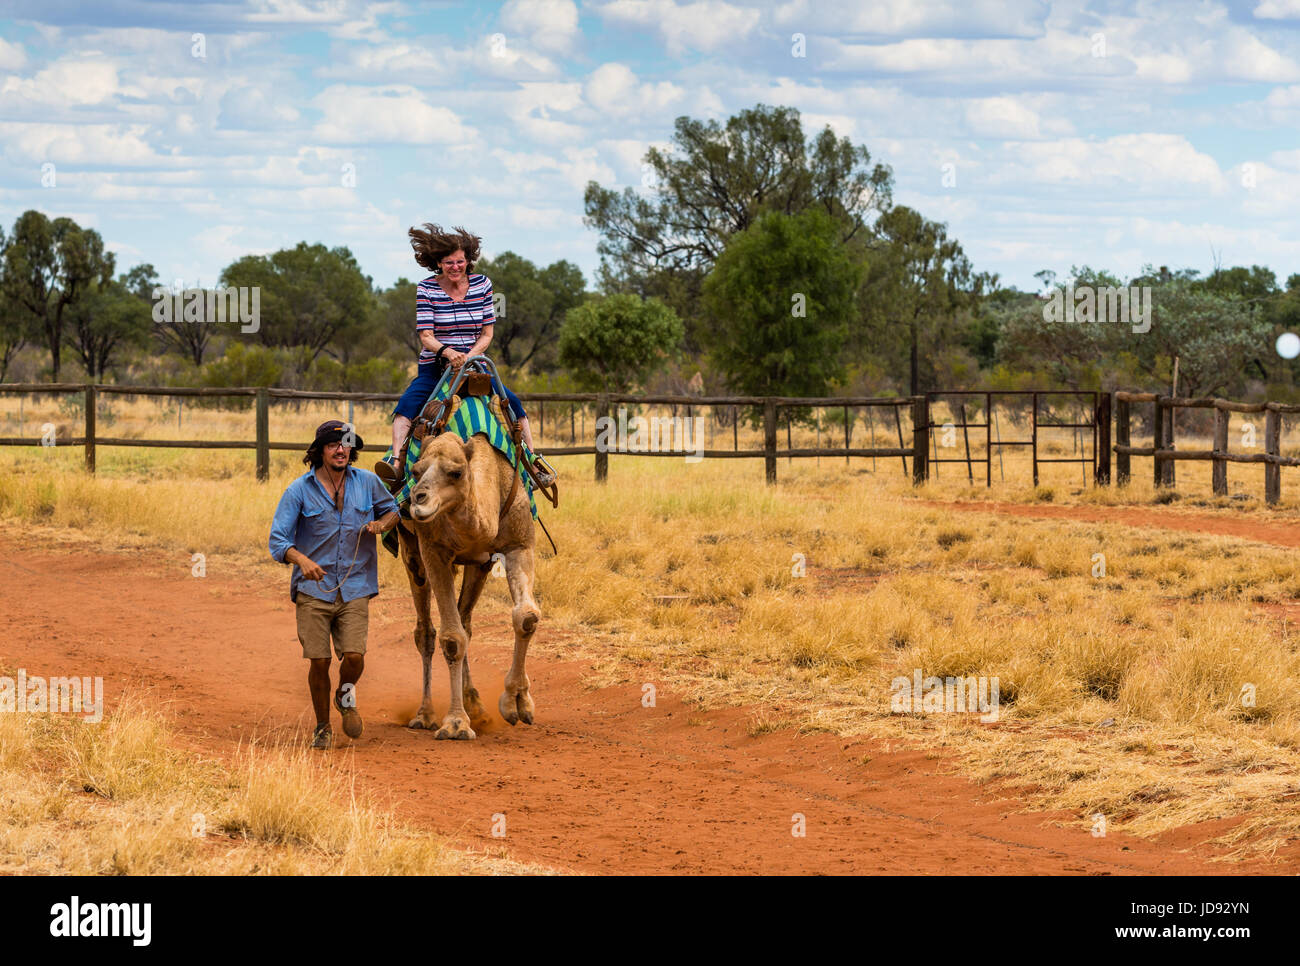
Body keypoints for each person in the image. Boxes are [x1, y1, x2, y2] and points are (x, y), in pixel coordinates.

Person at [375, 223, 543, 485]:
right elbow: (426, 336)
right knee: (405, 408)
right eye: (449, 262)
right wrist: (449, 352)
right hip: (436, 368)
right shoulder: (426, 288)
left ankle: (533, 463)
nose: (455, 267)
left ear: (468, 261)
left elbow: (487, 333)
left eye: (460, 261)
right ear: (438, 263)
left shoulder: (483, 285)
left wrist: (470, 356)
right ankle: (396, 464)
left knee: (515, 406)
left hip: (476, 367)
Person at [269, 420, 400, 750]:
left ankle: (345, 695)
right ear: (319, 452)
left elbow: (394, 510)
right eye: (333, 445)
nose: (341, 450)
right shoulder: (298, 490)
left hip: (356, 584)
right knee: (320, 661)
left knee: (354, 656)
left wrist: (381, 525)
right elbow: (278, 541)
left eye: (346, 445)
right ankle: (323, 726)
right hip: (313, 590)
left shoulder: (368, 482)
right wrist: (302, 560)